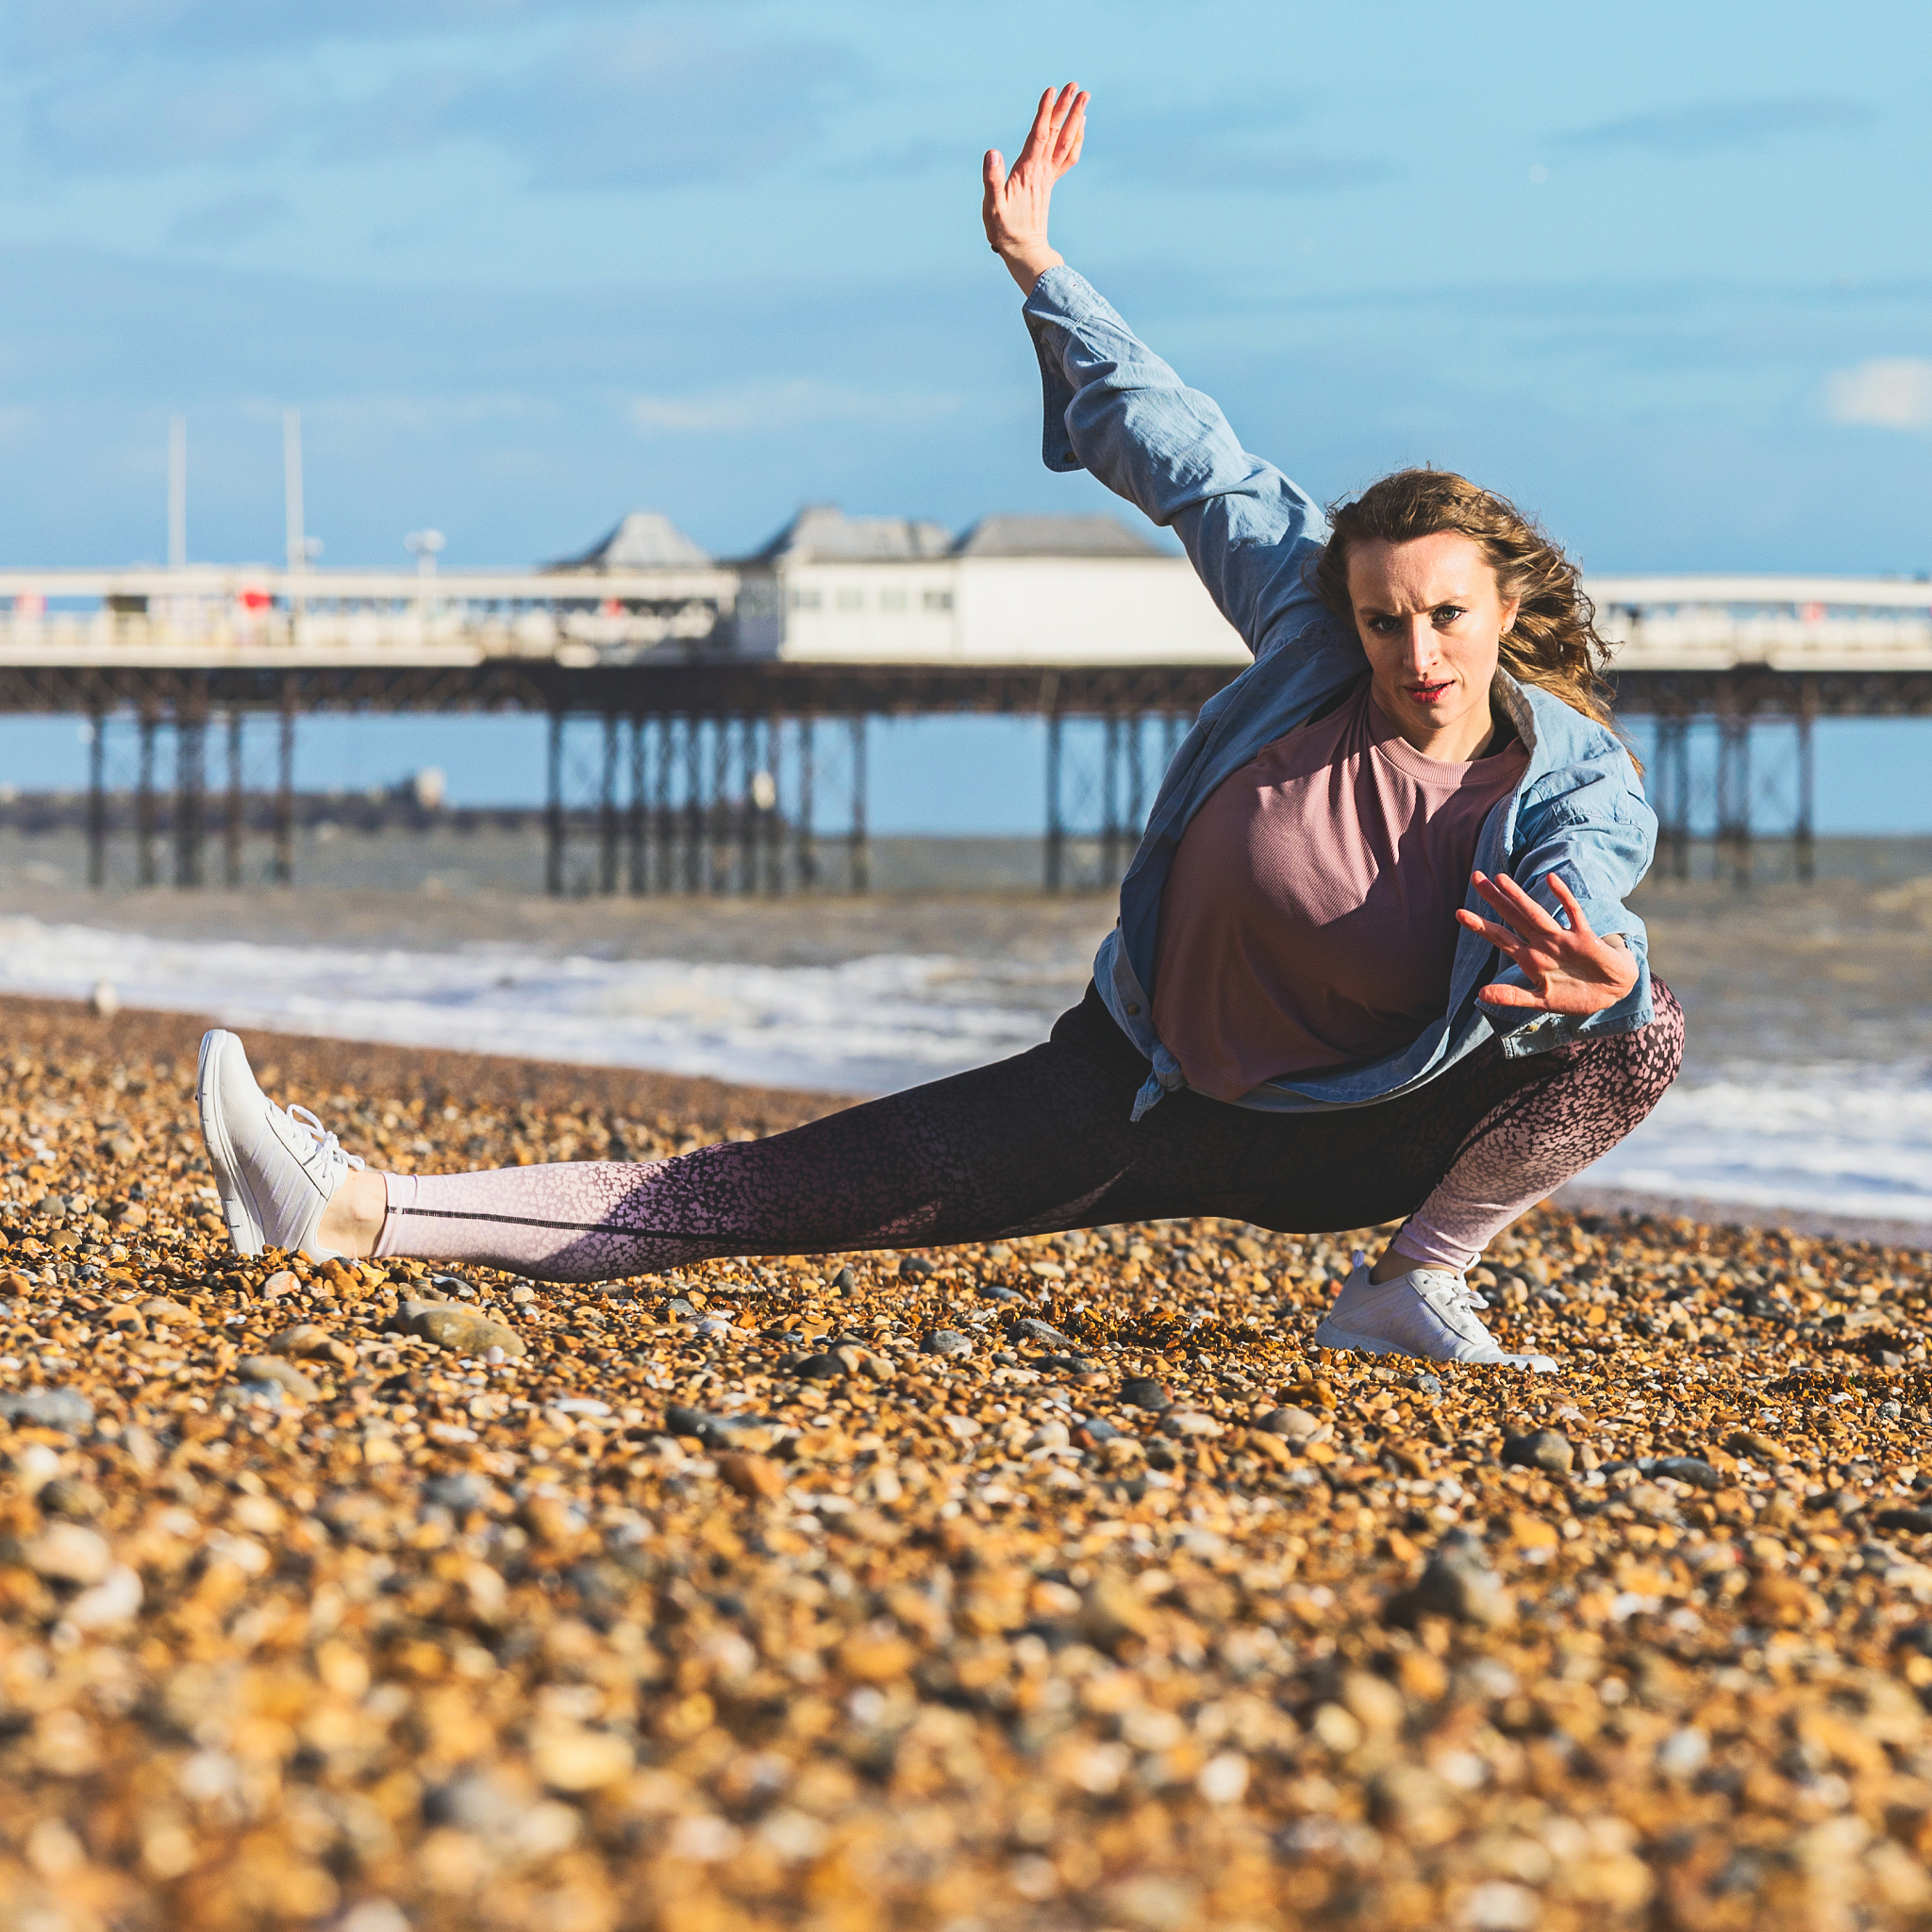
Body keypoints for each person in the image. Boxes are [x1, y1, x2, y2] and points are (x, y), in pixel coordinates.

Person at [194, 85, 1682, 1373]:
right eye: (1383, 618)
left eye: (1444, 616)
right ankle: (352, 1208)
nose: (1412, 650)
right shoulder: (1308, 641)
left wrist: (1603, 982)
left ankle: (1415, 1284)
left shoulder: (1565, 778)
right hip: (1135, 1087)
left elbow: (1587, 906)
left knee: (1654, 1028)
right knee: (764, 1192)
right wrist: (1041, 266)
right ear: (1344, 611)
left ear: (1505, 608)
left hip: (1356, 1137)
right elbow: (1195, 461)